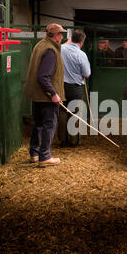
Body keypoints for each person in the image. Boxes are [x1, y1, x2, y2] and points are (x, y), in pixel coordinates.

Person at [23, 23, 67, 167]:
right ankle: (45, 157)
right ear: (55, 36)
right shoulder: (50, 51)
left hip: (37, 94)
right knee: (49, 124)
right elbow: (43, 76)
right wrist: (54, 93)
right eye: (60, 34)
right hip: (46, 96)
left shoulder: (41, 45)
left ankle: (34, 153)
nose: (62, 36)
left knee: (39, 124)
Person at [59, 29, 91, 147]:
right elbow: (87, 74)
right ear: (81, 42)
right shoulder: (81, 54)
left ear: (70, 38)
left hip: (60, 86)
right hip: (75, 87)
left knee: (62, 112)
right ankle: (74, 141)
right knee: (75, 113)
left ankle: (63, 139)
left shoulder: (60, 48)